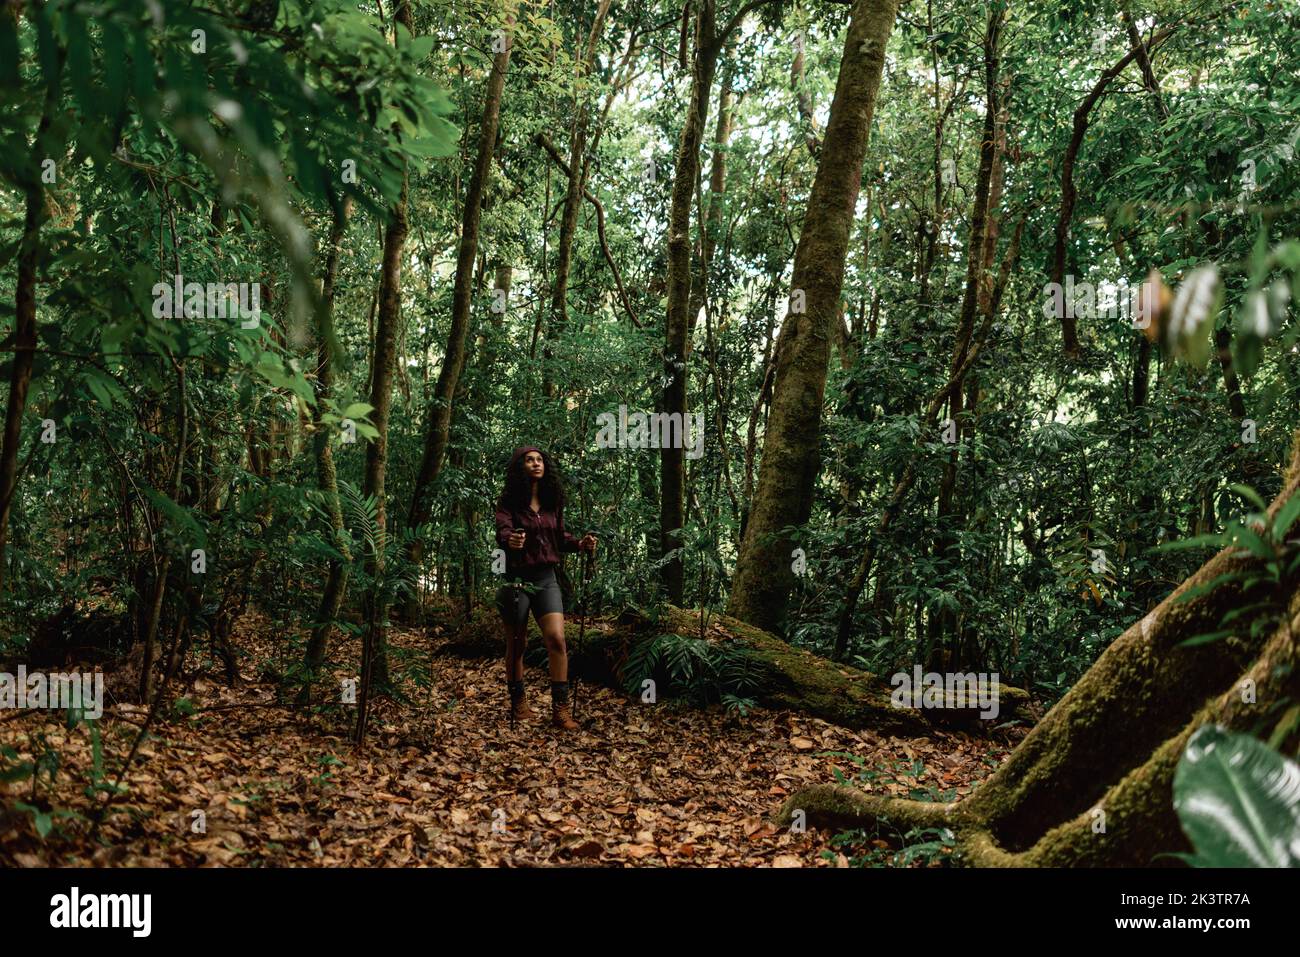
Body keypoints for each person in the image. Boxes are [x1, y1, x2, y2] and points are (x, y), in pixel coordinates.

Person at [493, 446, 596, 730]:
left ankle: (560, 712)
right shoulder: (509, 500)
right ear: (520, 467)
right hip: (516, 579)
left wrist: (580, 544)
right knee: (518, 643)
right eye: (529, 460)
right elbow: (502, 531)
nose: (536, 463)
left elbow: (560, 537)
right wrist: (510, 540)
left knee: (557, 639)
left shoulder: (553, 500)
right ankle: (518, 702)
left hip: (546, 577)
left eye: (539, 459)